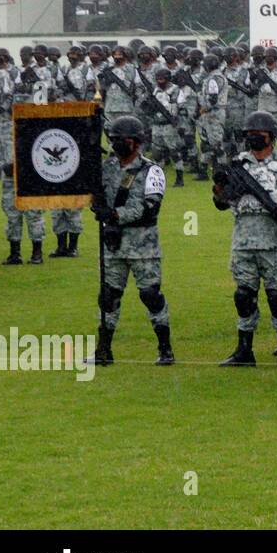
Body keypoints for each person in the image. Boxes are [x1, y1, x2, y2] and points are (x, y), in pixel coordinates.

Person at [213, 111, 277, 367]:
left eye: (258, 135)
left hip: (275, 239)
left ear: (271, 136)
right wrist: (218, 188)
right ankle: (244, 349)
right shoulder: (239, 163)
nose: (253, 138)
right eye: (249, 135)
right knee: (243, 295)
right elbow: (221, 203)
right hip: (244, 239)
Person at [88, 115, 173, 367]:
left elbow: (149, 207)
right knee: (108, 296)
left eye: (121, 140)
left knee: (150, 295)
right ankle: (104, 350)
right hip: (113, 245)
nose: (116, 144)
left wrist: (115, 215)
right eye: (113, 140)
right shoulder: (107, 168)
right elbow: (95, 193)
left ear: (136, 142)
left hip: (142, 245)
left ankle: (165, 349)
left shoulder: (151, 171)